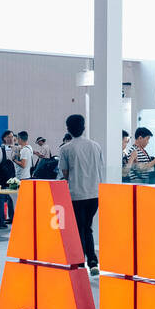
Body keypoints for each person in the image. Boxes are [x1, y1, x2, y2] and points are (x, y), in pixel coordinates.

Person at [58, 114, 104, 275]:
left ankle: (79, 261)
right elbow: (100, 168)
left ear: (68, 130)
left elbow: (64, 172)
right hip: (94, 194)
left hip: (76, 194)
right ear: (84, 127)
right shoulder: (96, 146)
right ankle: (92, 262)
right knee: (87, 227)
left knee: (79, 228)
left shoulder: (65, 149)